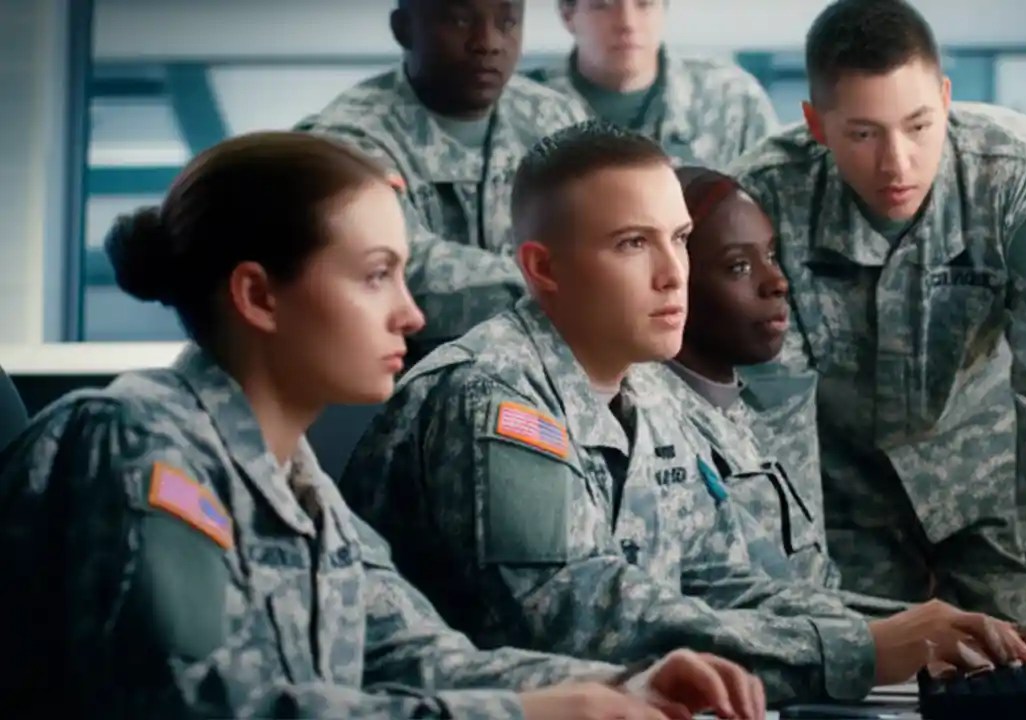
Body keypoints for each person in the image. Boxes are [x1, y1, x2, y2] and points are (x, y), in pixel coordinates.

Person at [0, 131, 766, 720]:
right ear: (259, 297)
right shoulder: (136, 449)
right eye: (375, 276)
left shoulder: (302, 489)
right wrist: (524, 712)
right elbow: (220, 708)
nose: (412, 312)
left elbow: (417, 657)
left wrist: (619, 685)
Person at [340, 120, 1026, 710]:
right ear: (544, 269)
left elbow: (716, 578)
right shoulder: (491, 397)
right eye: (632, 244)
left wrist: (911, 629)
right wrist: (860, 651)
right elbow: (579, 619)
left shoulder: (647, 390)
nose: (672, 272)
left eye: (677, 238)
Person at [729, 0, 1026, 659]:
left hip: (992, 484)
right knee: (855, 678)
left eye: (918, 124)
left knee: (1018, 670)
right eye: (863, 134)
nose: (897, 162)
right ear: (816, 125)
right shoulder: (763, 198)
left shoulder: (1021, 176)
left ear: (945, 96)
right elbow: (769, 418)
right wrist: (804, 610)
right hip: (844, 496)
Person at [296, 0, 591, 365]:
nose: (488, 42)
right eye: (461, 19)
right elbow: (403, 273)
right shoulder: (347, 140)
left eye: (508, 22)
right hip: (404, 381)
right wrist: (570, 286)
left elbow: (605, 228)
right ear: (403, 29)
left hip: (551, 371)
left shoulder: (554, 117)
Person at [639, 164, 835, 589]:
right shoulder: (652, 430)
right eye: (738, 268)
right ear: (671, 281)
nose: (778, 282)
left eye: (770, 255)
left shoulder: (742, 408)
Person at [526, 0, 778, 169]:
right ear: (568, 15)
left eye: (644, 3)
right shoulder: (523, 109)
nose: (627, 23)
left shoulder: (731, 99)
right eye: (604, 5)